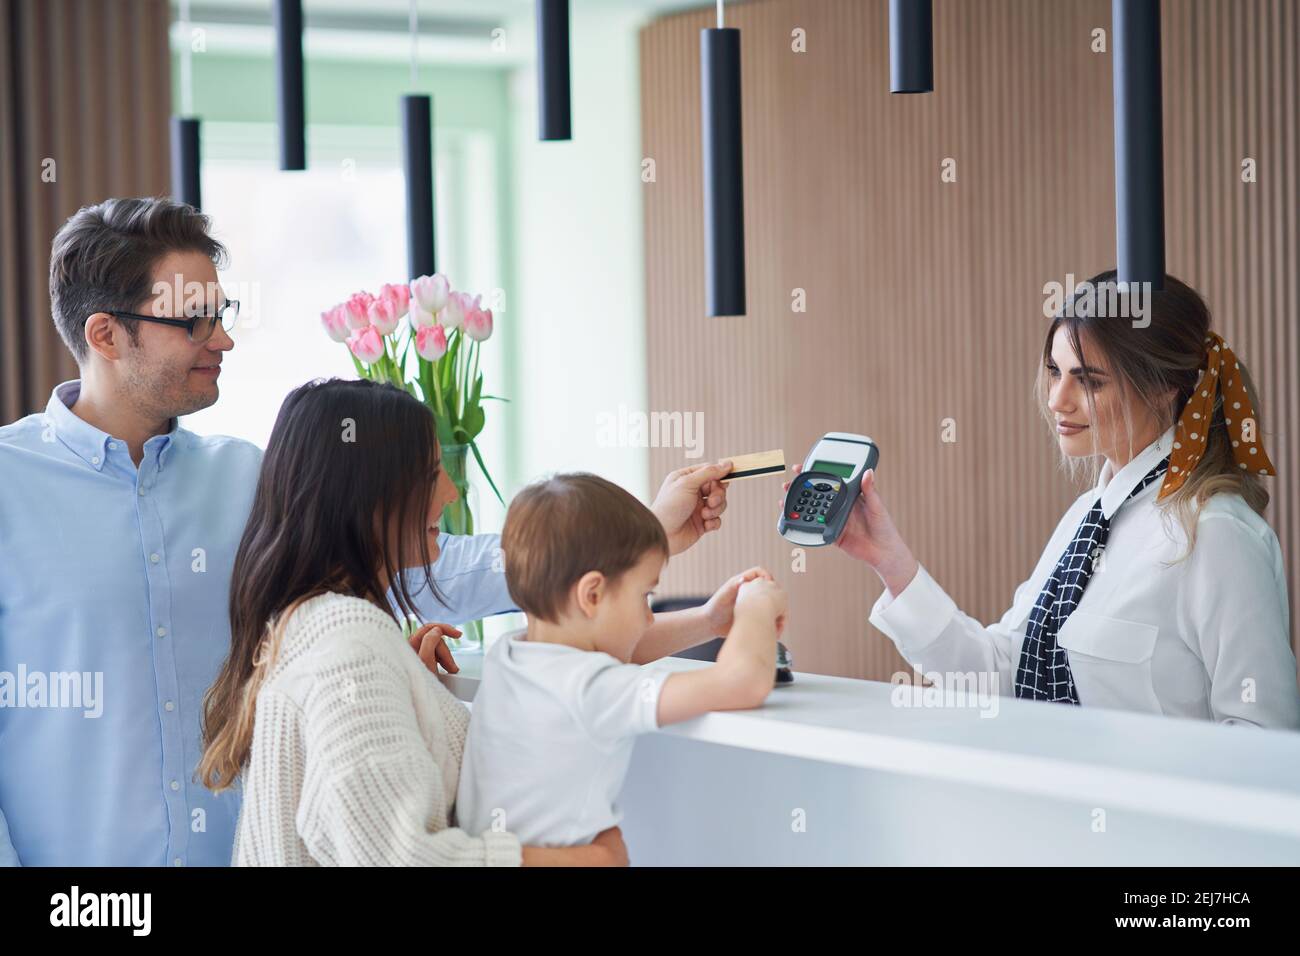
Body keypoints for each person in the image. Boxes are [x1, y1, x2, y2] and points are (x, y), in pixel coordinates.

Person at [0, 197, 734, 866]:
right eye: (193, 318)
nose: (221, 337)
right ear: (106, 334)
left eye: (224, 312)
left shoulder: (248, 478)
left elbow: (422, 566)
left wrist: (640, 539)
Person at [808, 272, 1300, 726]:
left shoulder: (1216, 536)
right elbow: (1001, 675)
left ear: (1162, 389)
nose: (1056, 399)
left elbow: (1263, 737)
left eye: (1087, 380)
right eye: (1054, 371)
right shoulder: (1087, 518)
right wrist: (890, 562)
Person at [455, 473, 787, 847]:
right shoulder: (594, 688)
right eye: (645, 595)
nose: (648, 616)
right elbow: (741, 682)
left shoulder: (510, 654)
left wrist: (709, 620)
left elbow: (620, 647)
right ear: (592, 594)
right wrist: (756, 610)